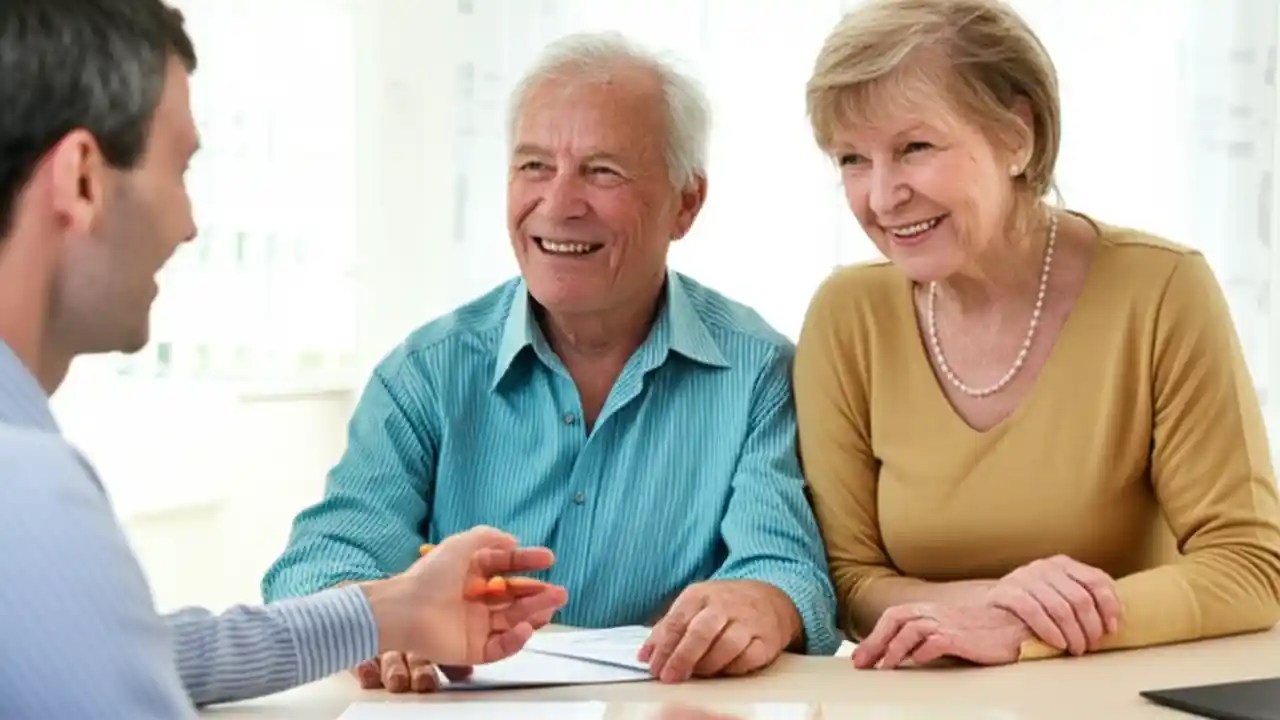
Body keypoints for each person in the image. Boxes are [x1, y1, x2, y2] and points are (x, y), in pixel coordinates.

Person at [0, 1, 568, 717]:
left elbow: (130, 651)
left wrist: (393, 607)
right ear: (82, 179)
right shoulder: (27, 493)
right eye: (179, 168)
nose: (187, 224)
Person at [262, 31, 841, 690]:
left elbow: (785, 565)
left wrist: (762, 602)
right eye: (535, 166)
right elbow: (321, 562)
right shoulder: (424, 373)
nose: (559, 204)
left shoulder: (759, 373)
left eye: (602, 171)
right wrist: (376, 616)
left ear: (686, 203)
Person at [795, 0, 1280, 671]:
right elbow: (847, 582)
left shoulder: (1162, 289)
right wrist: (996, 605)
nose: (880, 197)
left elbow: (1249, 568)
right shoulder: (847, 316)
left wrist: (1029, 629)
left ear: (1017, 136)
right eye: (852, 159)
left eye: (914, 148)